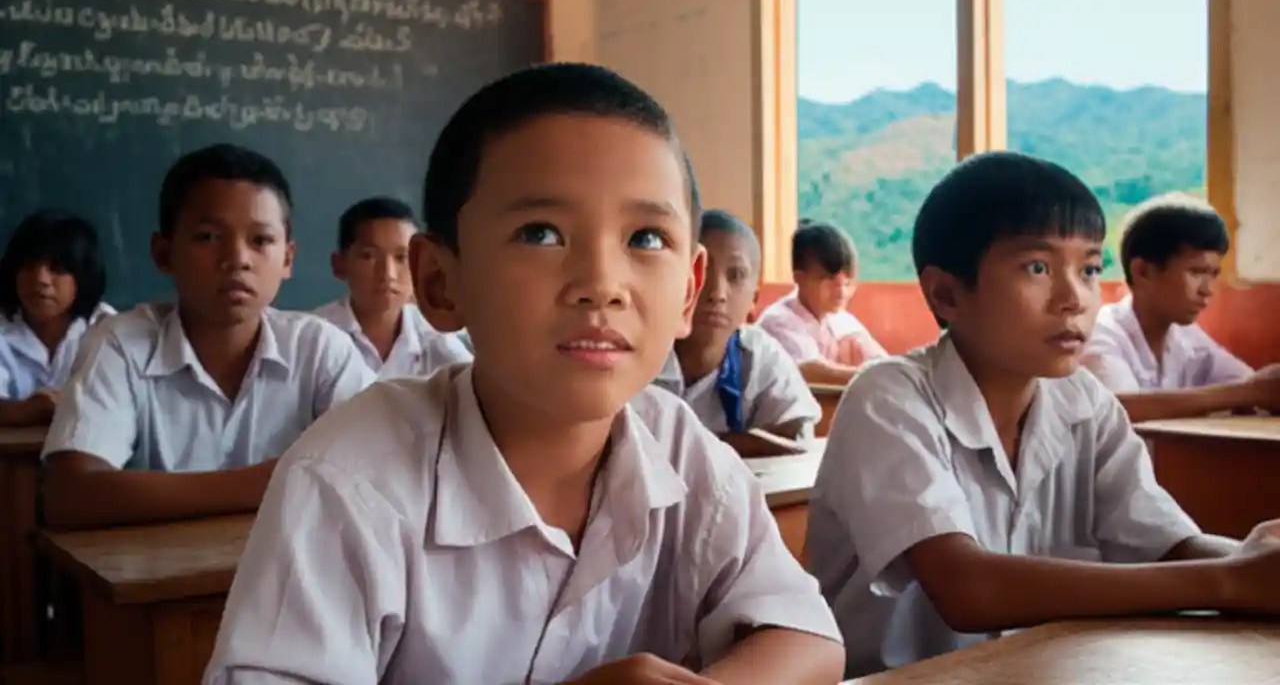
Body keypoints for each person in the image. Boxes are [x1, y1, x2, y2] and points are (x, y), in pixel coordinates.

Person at [206, 63, 844, 685]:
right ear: (439, 280)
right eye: (540, 233)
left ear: (688, 291)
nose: (602, 285)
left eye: (646, 239)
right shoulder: (349, 479)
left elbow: (807, 636)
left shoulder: (680, 449)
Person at [806, 152, 1280, 679]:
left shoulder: (1085, 403)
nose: (1074, 298)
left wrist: (1246, 558)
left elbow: (1171, 545)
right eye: (1038, 267)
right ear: (946, 292)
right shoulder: (890, 399)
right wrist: (1232, 580)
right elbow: (969, 589)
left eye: (1090, 269)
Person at [41, 143, 374, 530]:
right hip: (154, 584)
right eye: (209, 237)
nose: (238, 258)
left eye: (261, 240)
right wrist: (266, 482)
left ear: (288, 259)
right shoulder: (121, 344)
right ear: (163, 254)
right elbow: (69, 494)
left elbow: (378, 469)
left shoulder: (319, 348)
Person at [1082, 193, 1278, 421]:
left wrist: (1260, 391)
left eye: (1213, 274)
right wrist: (1247, 393)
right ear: (1143, 271)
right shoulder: (1100, 333)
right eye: (1196, 272)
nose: (1208, 290)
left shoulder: (1188, 338)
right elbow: (1121, 409)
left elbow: (1252, 389)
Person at [654, 209, 821, 457]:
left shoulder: (758, 356)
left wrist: (688, 447)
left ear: (754, 298)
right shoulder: (640, 350)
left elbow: (796, 440)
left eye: (736, 276)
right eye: (700, 272)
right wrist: (740, 443)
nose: (717, 293)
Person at [315, 196, 472, 379]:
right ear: (339, 265)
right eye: (368, 256)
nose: (388, 274)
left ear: (419, 264)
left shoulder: (438, 339)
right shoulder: (314, 338)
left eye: (401, 258)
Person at [0, 211, 114, 426]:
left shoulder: (108, 328)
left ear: (82, 276)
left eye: (58, 269)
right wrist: (32, 409)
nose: (41, 279)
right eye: (28, 266)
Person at [757, 220, 886, 385]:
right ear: (800, 278)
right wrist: (870, 376)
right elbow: (810, 371)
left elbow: (880, 361)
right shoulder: (777, 321)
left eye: (847, 283)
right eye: (829, 281)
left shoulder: (840, 318)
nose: (841, 293)